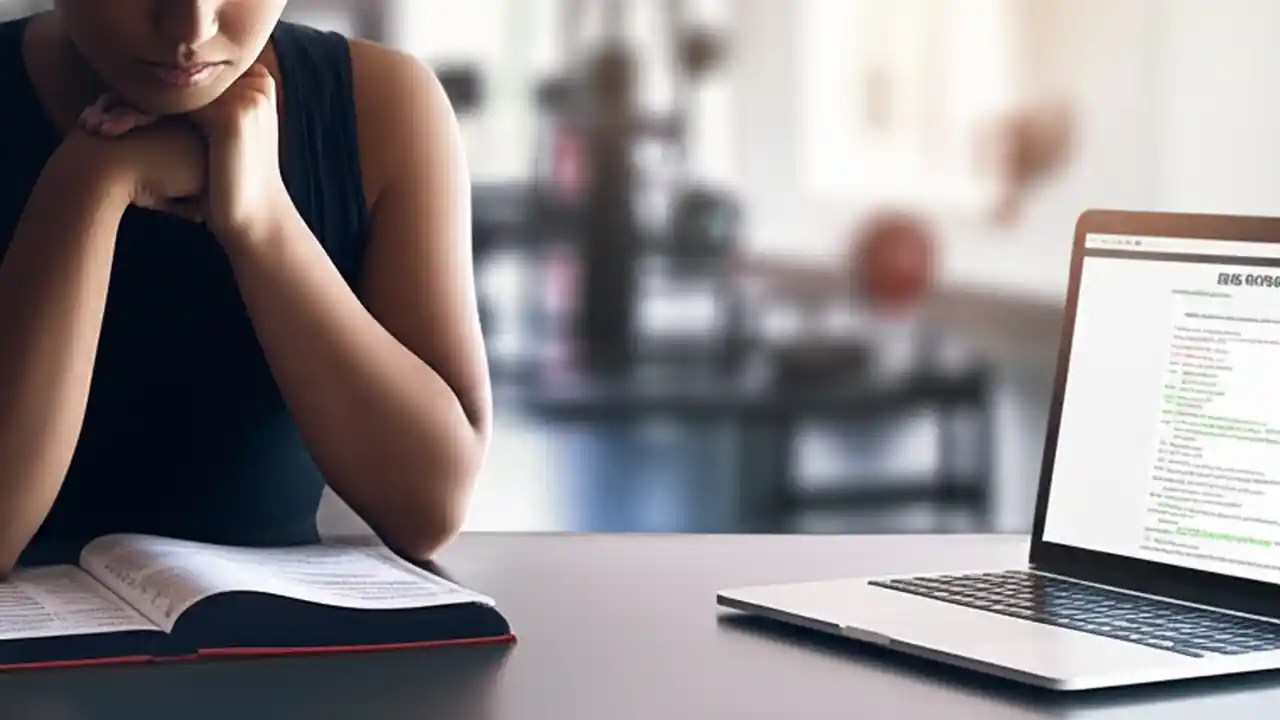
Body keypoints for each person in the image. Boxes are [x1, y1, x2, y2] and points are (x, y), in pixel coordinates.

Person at [0, 1, 492, 577]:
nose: (192, 28)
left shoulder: (381, 104)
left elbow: (427, 510)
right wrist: (90, 179)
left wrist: (261, 220)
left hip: (275, 655)